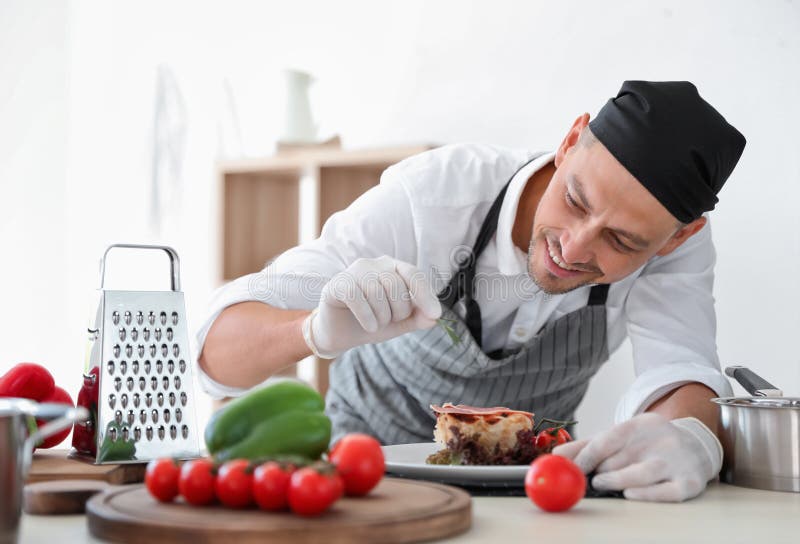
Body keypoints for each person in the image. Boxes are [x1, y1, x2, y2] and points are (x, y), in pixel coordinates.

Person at [195, 81, 746, 502]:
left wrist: (696, 438)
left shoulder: (676, 248)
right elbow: (213, 352)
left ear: (678, 238)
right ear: (570, 140)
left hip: (528, 493)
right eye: (575, 201)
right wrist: (310, 330)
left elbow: (678, 372)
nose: (574, 248)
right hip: (364, 476)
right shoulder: (435, 194)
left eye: (621, 240)